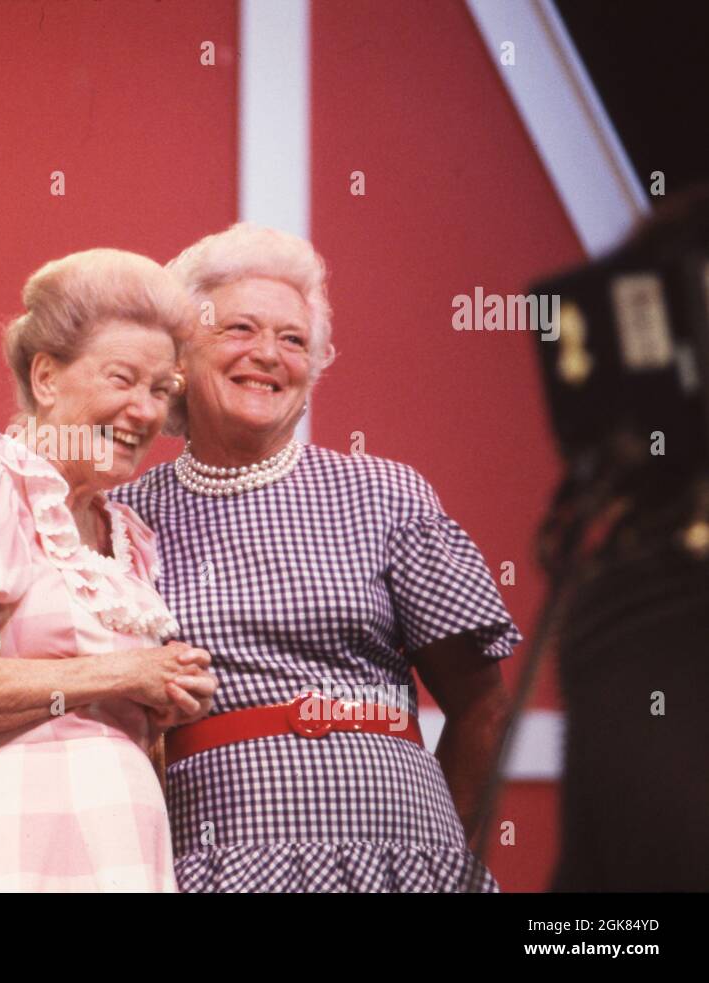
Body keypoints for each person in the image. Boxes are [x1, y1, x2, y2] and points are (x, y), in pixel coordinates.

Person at [109, 223, 520, 892]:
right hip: (215, 861)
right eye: (240, 329)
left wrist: (442, 855)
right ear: (179, 356)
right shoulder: (121, 517)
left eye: (293, 339)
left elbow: (482, 706)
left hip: (400, 858)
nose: (268, 354)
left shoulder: (387, 492)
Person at [0, 248, 217, 891]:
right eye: (121, 379)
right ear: (48, 378)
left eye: (160, 390)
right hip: (13, 846)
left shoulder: (129, 538)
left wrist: (160, 708)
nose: (145, 412)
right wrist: (128, 671)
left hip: (125, 850)